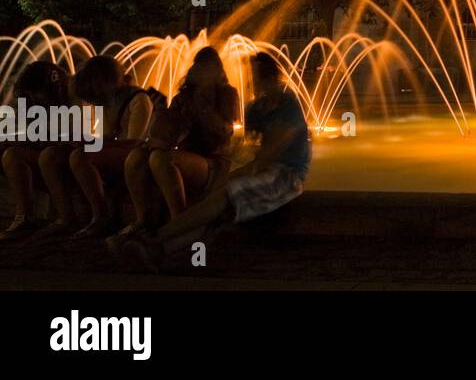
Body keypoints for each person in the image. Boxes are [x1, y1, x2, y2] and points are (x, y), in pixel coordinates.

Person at [118, 52, 311, 270]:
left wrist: (238, 171)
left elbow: (270, 150)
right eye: (251, 76)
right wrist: (164, 112)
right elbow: (245, 148)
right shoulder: (255, 109)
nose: (251, 82)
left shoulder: (288, 104)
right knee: (217, 204)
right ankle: (160, 248)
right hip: (254, 169)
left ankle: (156, 239)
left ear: (271, 77)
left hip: (286, 174)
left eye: (256, 76)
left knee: (225, 197)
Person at [118, 47, 240, 239]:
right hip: (185, 156)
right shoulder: (183, 97)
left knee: (161, 159)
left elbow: (225, 132)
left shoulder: (227, 94)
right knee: (137, 156)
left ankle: (180, 222)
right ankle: (143, 219)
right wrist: (161, 110)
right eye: (199, 66)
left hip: (214, 163)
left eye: (209, 68)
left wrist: (203, 108)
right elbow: (165, 136)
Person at [57, 55, 155, 239]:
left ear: (103, 81)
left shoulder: (139, 99)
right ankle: (75, 216)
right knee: (65, 154)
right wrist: (83, 140)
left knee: (80, 157)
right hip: (123, 152)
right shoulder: (109, 102)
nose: (93, 99)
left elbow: (135, 141)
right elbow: (110, 136)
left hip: (139, 157)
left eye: (94, 89)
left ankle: (101, 217)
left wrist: (95, 144)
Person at [0, 61, 75, 241]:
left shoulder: (77, 96)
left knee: (16, 153)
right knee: (7, 151)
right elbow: (43, 137)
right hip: (55, 153)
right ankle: (25, 217)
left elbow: (76, 140)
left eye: (35, 95)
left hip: (77, 158)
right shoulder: (42, 103)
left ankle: (63, 219)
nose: (32, 100)